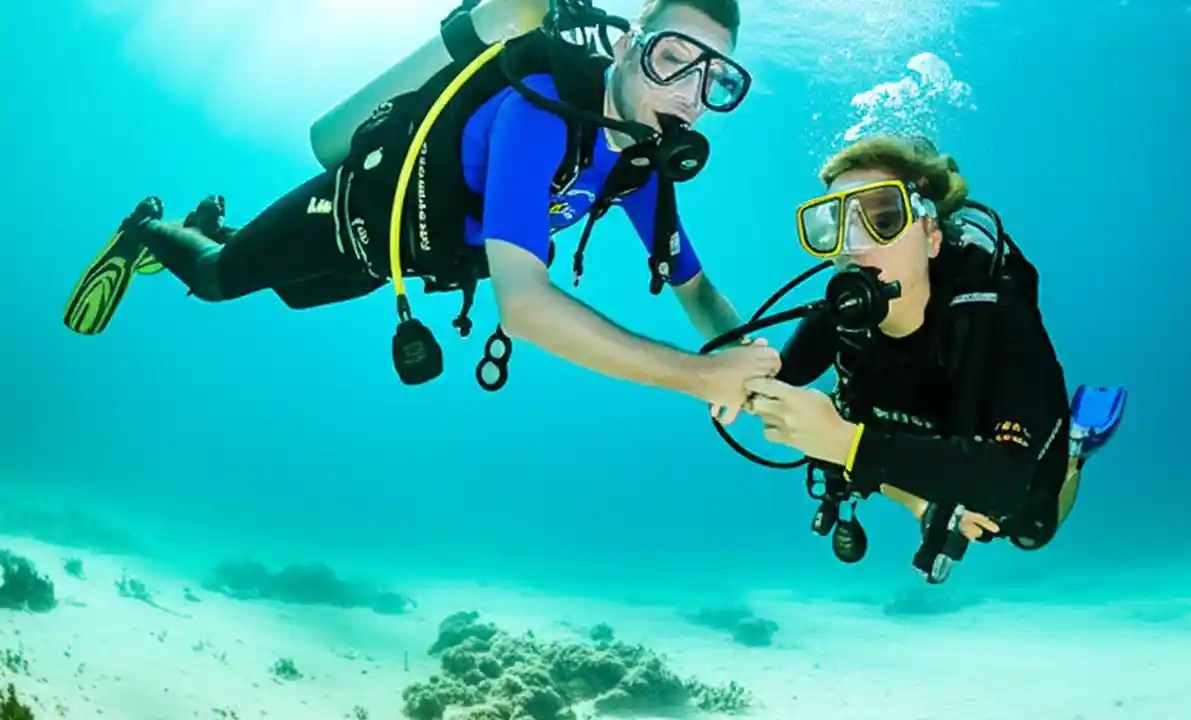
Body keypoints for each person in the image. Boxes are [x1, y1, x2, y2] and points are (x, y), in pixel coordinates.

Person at [61, 0, 779, 420]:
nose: (689, 93)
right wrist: (695, 376)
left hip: (399, 259)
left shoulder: (640, 161)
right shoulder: (541, 113)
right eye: (675, 59)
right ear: (626, 47)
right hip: (346, 216)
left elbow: (699, 291)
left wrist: (759, 368)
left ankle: (212, 222)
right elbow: (524, 308)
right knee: (218, 280)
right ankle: (148, 228)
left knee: (291, 296)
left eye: (716, 79)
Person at [732, 134, 1126, 579]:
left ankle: (1075, 448)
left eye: (883, 217)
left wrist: (845, 442)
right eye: (833, 226)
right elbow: (768, 384)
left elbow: (1006, 482)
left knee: (1030, 530)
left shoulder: (993, 313)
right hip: (920, 445)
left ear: (932, 238)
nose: (855, 246)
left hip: (993, 444)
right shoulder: (838, 320)